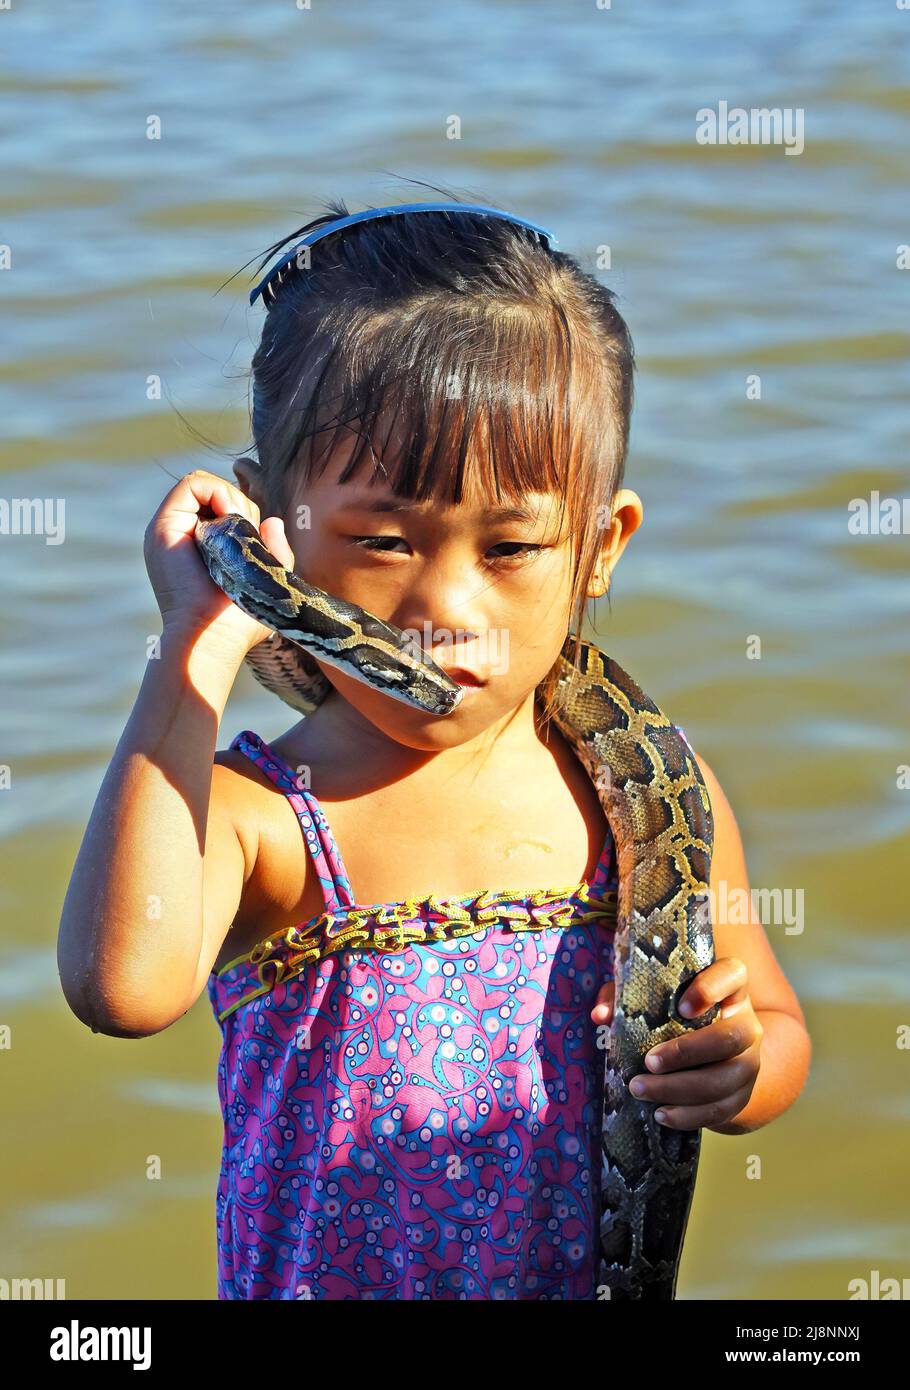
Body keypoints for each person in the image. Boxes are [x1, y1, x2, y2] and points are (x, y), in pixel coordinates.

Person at [57, 196, 810, 1300]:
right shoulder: (268, 813)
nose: (443, 606)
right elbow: (120, 987)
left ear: (600, 545)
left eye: (509, 545)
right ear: (269, 524)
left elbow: (774, 1025)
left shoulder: (656, 793)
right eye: (380, 541)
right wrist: (193, 653)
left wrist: (737, 1067)